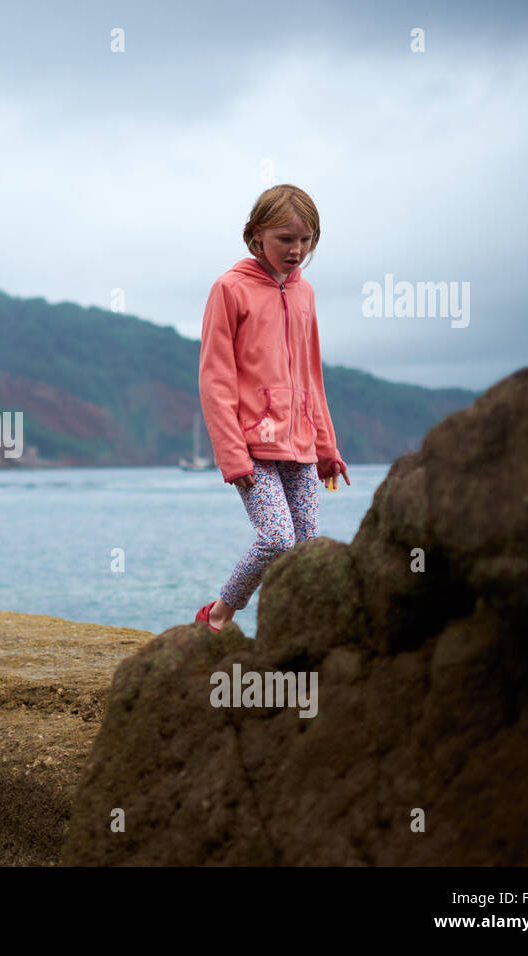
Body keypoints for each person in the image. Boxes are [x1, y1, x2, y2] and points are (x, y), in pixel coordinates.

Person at [195, 184, 349, 634]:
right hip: (252, 449)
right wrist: (231, 455)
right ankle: (220, 613)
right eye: (285, 238)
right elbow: (215, 378)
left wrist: (326, 450)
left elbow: (310, 378)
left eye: (306, 240)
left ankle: (295, 631)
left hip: (300, 446)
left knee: (307, 548)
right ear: (257, 235)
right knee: (277, 539)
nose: (297, 250)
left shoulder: (306, 294)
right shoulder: (229, 289)